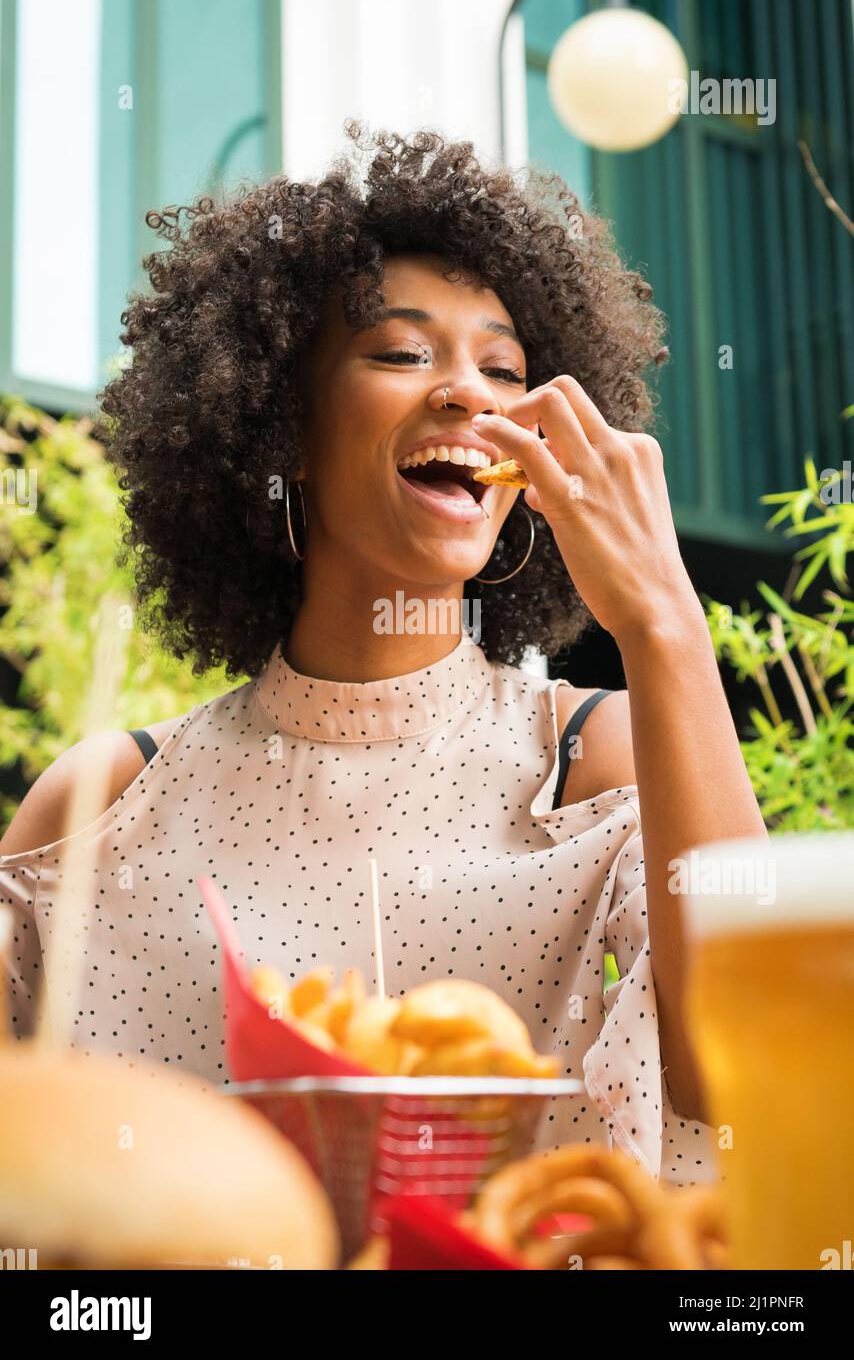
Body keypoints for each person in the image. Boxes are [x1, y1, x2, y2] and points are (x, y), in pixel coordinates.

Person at [0, 122, 766, 1184]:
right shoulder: (101, 808)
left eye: (503, 367)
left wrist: (664, 623)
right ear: (282, 431)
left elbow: (746, 1076)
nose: (469, 393)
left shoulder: (598, 760)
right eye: (403, 351)